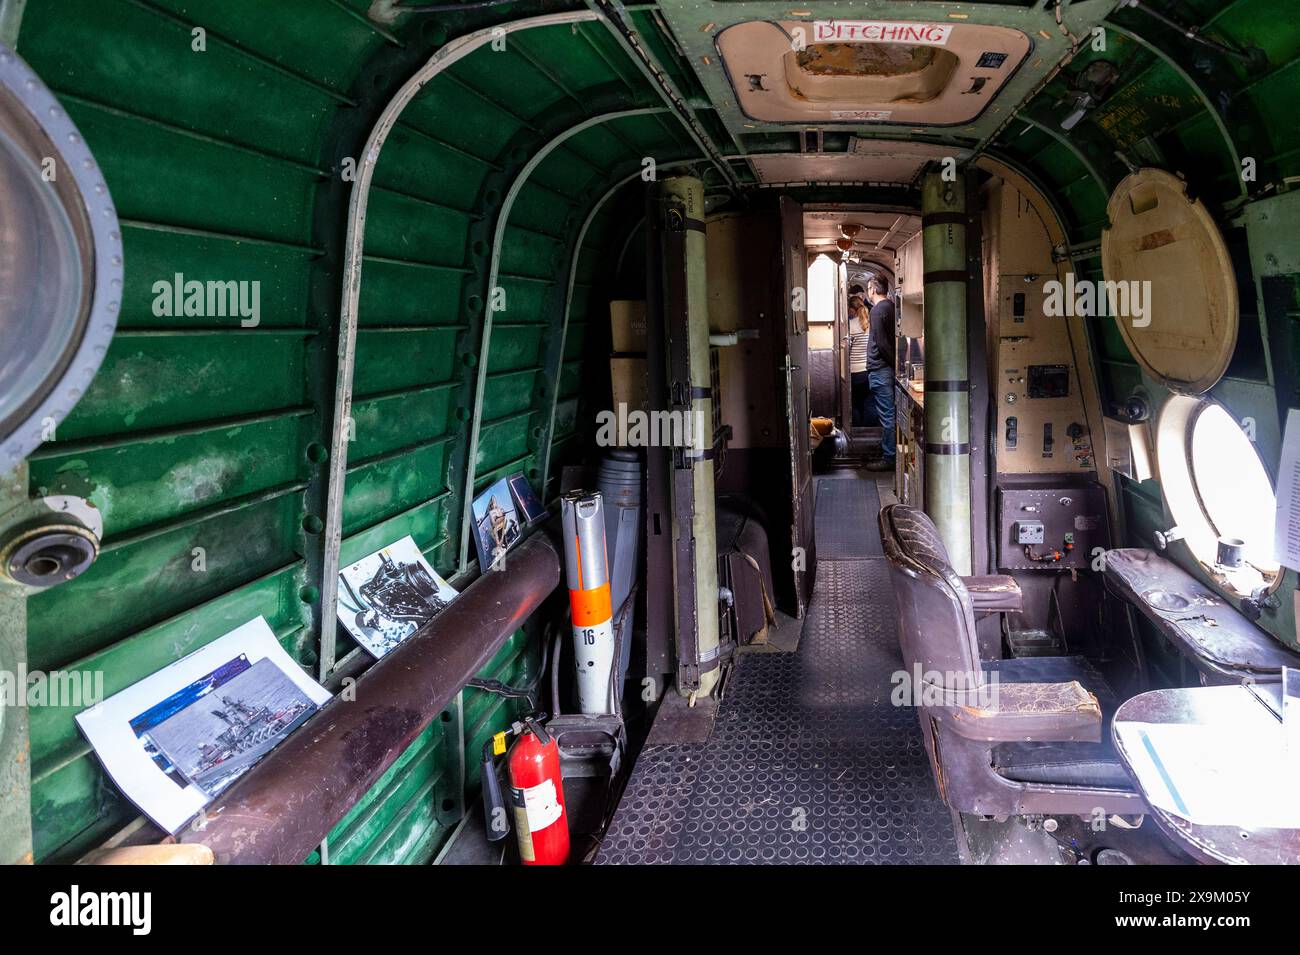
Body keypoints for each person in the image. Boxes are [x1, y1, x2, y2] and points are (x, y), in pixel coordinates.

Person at [864, 276, 896, 471]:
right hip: (887, 369)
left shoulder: (877, 310)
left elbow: (882, 343)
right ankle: (888, 449)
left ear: (873, 289)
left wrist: (893, 365)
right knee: (889, 414)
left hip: (881, 370)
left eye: (869, 289)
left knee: (887, 416)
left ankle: (889, 457)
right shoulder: (891, 307)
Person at [846, 295, 874, 427]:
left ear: (852, 309)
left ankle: (857, 431)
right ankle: (868, 429)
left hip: (855, 372)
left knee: (855, 403)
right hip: (868, 370)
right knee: (867, 403)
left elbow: (847, 350)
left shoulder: (850, 325)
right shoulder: (869, 324)